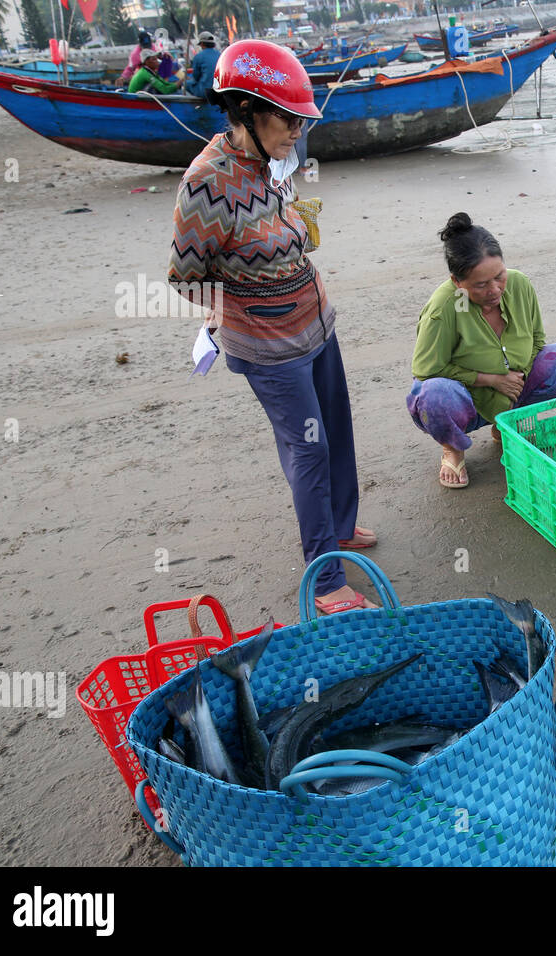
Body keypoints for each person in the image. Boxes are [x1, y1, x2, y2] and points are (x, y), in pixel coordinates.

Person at [168, 40, 377, 616]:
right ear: (245, 113)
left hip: (315, 322)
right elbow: (186, 274)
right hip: (266, 345)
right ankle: (327, 577)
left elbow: (274, 227)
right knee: (307, 448)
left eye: (299, 119)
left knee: (336, 429)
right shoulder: (205, 182)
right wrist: (227, 306)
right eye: (287, 119)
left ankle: (340, 528)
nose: (296, 131)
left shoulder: (271, 162)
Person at [408, 214, 556, 488]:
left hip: (514, 388)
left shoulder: (520, 285)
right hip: (468, 400)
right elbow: (427, 370)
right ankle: (453, 448)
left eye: (499, 276)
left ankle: (511, 425)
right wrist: (492, 380)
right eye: (480, 284)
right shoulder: (445, 307)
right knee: (434, 395)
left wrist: (516, 376)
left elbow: (537, 340)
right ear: (457, 282)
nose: (495, 289)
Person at [185, 31, 221, 99]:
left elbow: (196, 77)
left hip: (205, 91)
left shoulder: (198, 56)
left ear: (202, 44)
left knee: (186, 84)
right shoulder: (220, 54)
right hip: (219, 90)